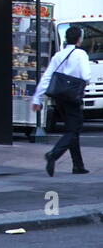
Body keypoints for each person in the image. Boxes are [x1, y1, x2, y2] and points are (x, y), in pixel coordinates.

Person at [32, 25, 91, 176]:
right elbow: (86, 76)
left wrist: (37, 98)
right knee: (74, 129)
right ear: (80, 39)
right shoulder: (81, 54)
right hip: (73, 96)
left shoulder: (59, 55)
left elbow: (46, 77)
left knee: (72, 129)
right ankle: (53, 154)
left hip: (59, 97)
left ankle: (78, 165)